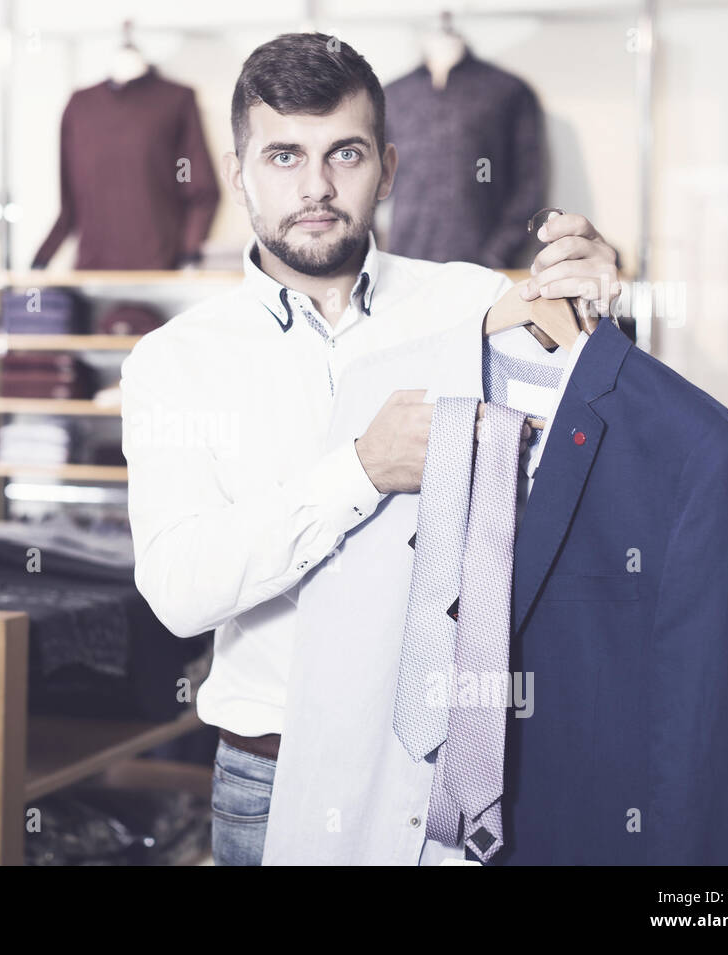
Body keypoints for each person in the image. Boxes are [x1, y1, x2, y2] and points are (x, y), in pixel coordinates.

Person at [119, 32, 622, 866]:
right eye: (283, 154)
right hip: (270, 773)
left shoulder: (474, 302)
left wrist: (601, 312)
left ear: (388, 168)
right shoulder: (174, 362)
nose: (315, 186)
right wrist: (359, 471)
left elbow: (589, 456)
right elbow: (179, 592)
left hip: (456, 770)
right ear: (238, 171)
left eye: (343, 153)